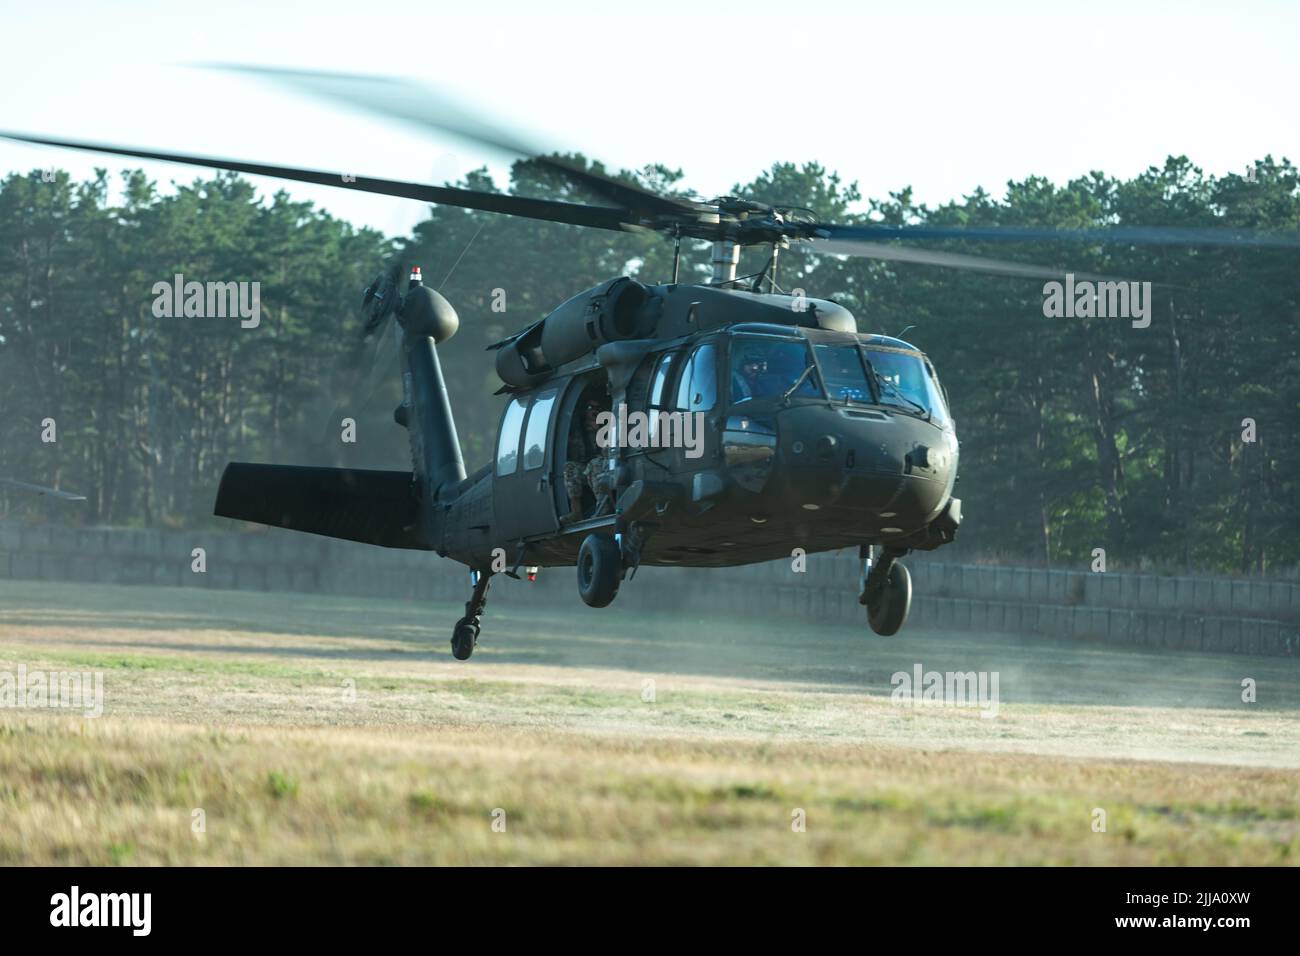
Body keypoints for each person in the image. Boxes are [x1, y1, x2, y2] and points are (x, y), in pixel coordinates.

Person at [562, 394, 608, 523]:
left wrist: (599, 433)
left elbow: (609, 453)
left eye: (597, 408)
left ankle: (603, 509)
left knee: (595, 464)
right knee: (570, 467)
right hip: (587, 468)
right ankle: (576, 511)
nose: (594, 411)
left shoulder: (607, 427)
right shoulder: (577, 428)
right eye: (590, 407)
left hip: (604, 465)